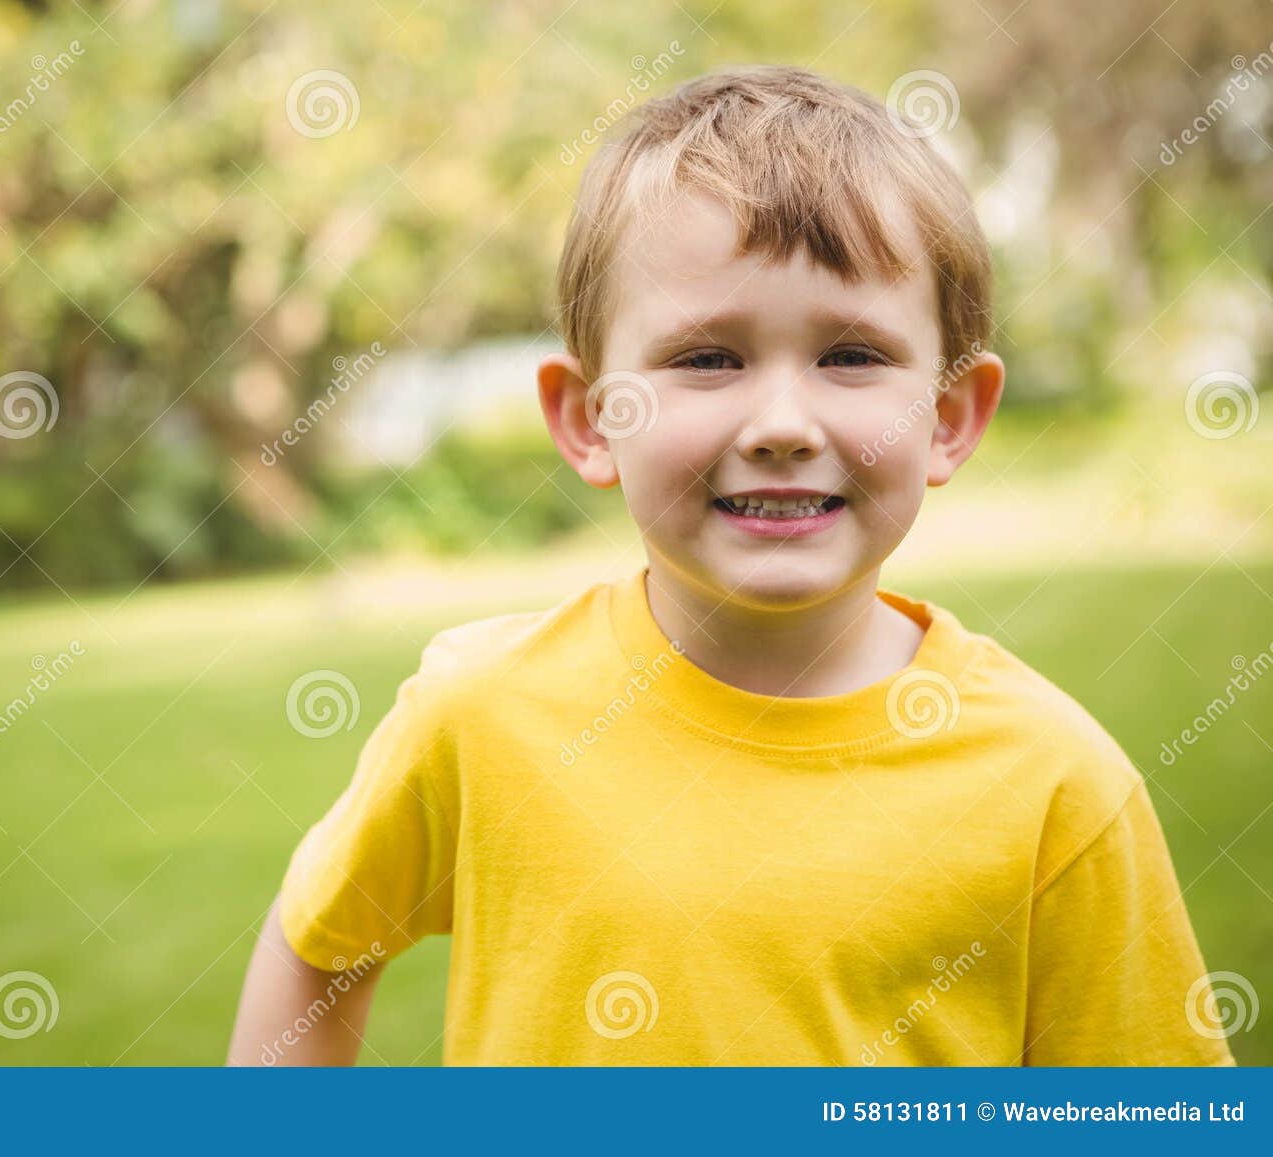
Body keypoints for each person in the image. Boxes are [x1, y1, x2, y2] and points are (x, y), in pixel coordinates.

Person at [228, 65, 1234, 1066]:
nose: (783, 426)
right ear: (589, 419)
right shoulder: (479, 711)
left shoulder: (1055, 781)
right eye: (707, 358)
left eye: (849, 355)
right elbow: (318, 941)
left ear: (949, 416)